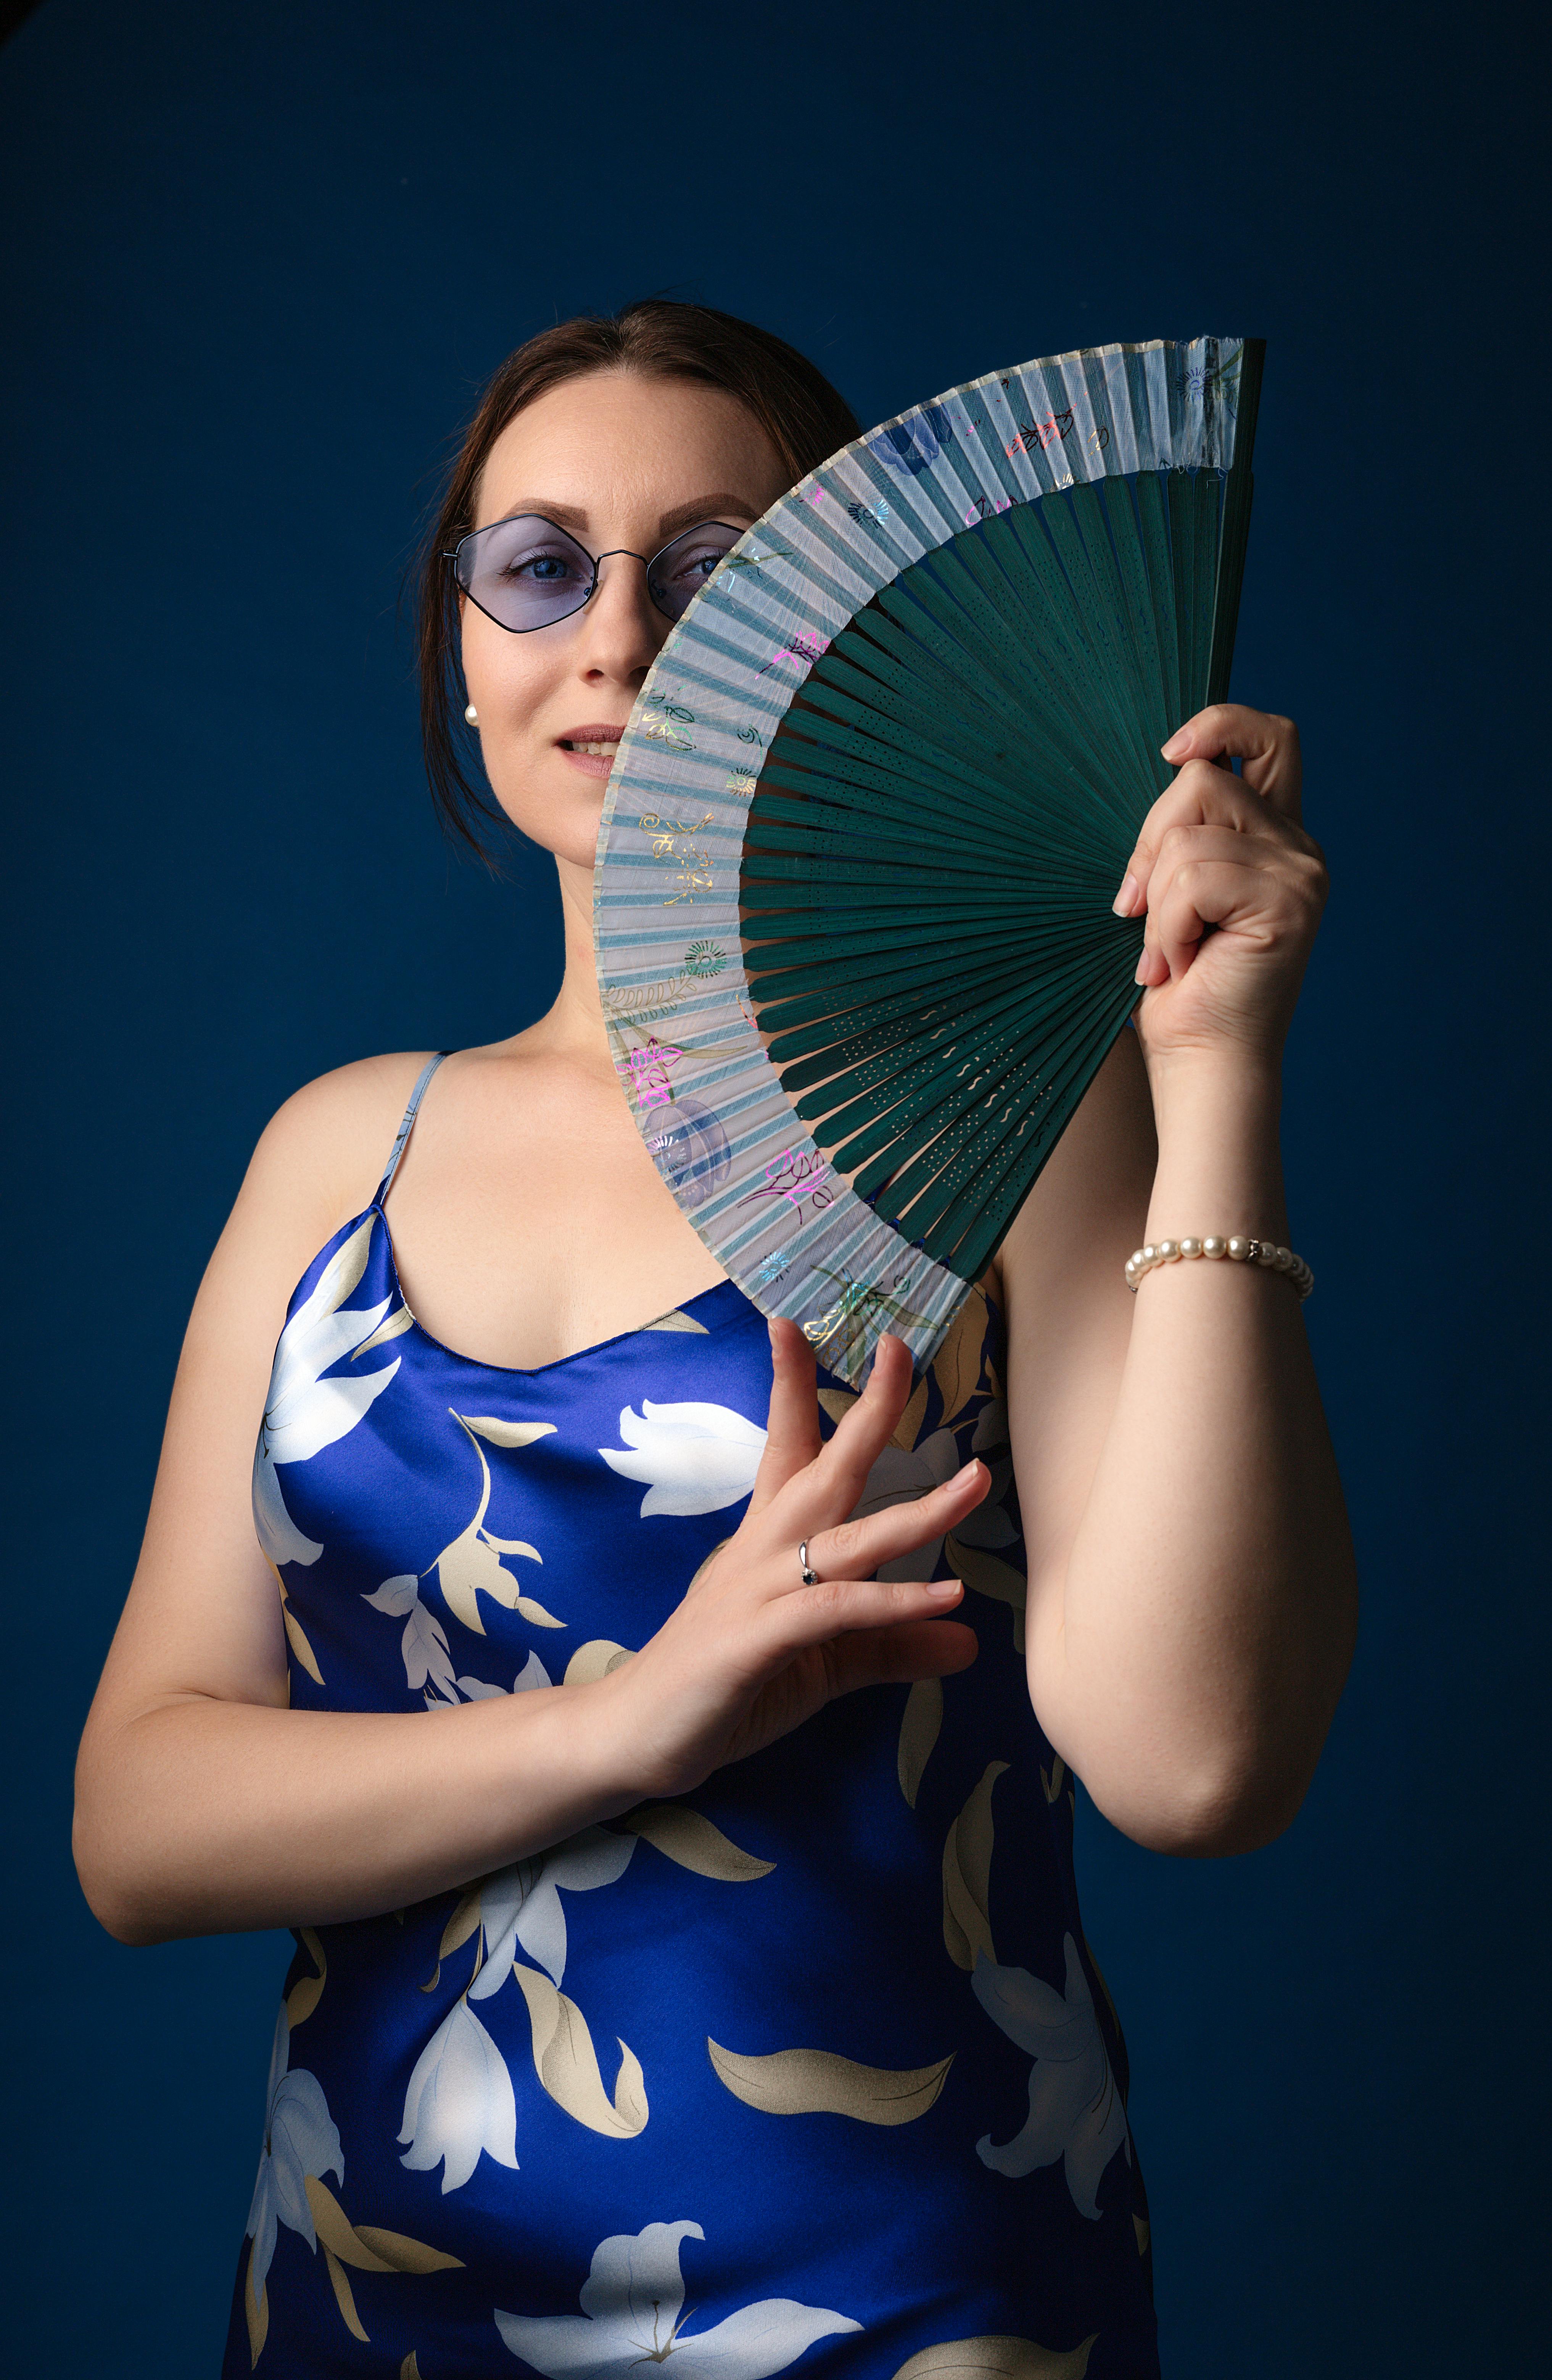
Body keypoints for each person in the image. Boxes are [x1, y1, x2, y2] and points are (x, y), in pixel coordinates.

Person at [73, 300, 1356, 2378]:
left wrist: (1207, 1072)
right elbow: (136, 1824)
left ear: (849, 630)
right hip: (364, 2295)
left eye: (715, 564)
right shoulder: (338, 1154)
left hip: (905, 2293)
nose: (617, 636)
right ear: (463, 644)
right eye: (541, 564)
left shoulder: (1010, 1117)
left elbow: (1199, 1765)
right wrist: (638, 1721)